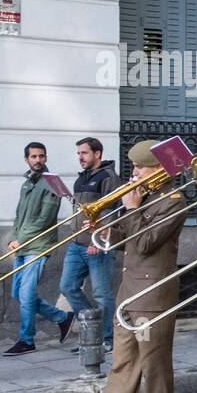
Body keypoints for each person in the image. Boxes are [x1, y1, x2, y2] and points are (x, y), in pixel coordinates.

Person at [79, 141, 187, 393]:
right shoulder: (143, 197)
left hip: (153, 294)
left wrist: (132, 208)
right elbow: (126, 240)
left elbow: (146, 243)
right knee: (122, 362)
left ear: (158, 170)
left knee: (154, 363)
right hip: (129, 291)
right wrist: (101, 228)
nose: (134, 172)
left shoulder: (173, 202)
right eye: (135, 167)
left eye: (141, 167)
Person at [4, 142, 73, 356]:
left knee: (25, 294)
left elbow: (45, 219)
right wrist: (14, 237)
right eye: (33, 157)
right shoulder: (27, 184)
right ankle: (62, 318)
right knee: (18, 293)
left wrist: (21, 239)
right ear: (26, 159)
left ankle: (27, 339)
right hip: (23, 245)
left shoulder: (51, 183)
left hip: (39, 245)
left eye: (41, 156)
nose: (38, 160)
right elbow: (19, 215)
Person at [60, 137, 120, 352]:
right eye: (78, 154)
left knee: (102, 294)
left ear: (97, 154)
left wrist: (100, 239)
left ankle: (106, 338)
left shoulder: (108, 177)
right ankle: (92, 330)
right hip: (77, 244)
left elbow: (112, 211)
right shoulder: (81, 179)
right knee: (67, 286)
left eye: (84, 153)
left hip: (97, 244)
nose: (80, 157)